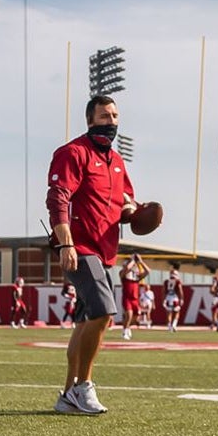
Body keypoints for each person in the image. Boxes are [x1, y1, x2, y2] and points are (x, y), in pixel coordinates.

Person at [47, 94, 140, 415]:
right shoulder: (73, 153)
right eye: (104, 116)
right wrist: (65, 243)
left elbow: (127, 199)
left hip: (104, 251)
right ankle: (83, 386)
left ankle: (68, 392)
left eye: (114, 116)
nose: (111, 121)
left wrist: (134, 210)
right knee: (103, 312)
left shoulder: (116, 161)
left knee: (87, 319)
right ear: (90, 120)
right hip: (80, 246)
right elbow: (57, 197)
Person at [120, 253, 149, 339]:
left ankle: (127, 327)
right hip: (127, 298)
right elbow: (127, 269)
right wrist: (133, 260)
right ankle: (125, 331)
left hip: (135, 299)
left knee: (136, 318)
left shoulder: (136, 276)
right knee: (129, 314)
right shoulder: (122, 274)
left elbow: (148, 271)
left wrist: (141, 262)